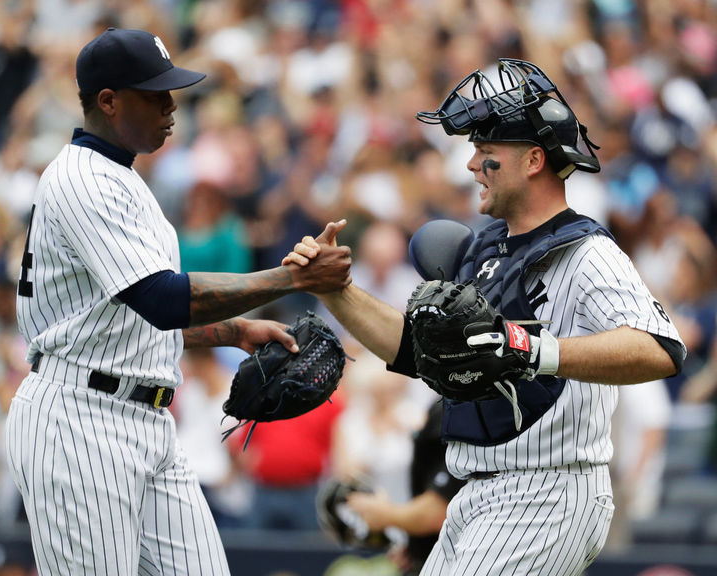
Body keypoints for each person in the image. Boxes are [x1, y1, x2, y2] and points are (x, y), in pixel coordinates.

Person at [285, 58, 686, 576]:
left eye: (486, 150)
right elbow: (418, 353)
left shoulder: (587, 251)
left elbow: (660, 349)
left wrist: (528, 347)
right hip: (476, 490)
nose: (473, 164)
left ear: (535, 160)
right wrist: (337, 292)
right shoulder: (486, 248)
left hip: (547, 487)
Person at [5, 28, 351, 576]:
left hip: (144, 416)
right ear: (109, 101)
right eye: (154, 95)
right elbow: (161, 299)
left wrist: (233, 332)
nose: (171, 107)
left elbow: (128, 317)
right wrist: (292, 279)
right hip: (79, 420)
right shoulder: (80, 179)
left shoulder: (123, 179)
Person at [345, 401, 466, 576]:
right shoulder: (442, 405)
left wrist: (384, 514)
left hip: (461, 559)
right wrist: (416, 545)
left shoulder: (460, 409)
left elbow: (438, 512)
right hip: (439, 554)